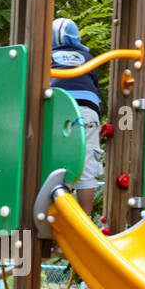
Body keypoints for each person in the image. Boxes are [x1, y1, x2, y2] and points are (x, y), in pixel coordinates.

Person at [51, 17, 104, 217]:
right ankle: (86, 219)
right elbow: (95, 87)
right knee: (87, 161)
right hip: (87, 110)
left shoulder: (47, 56)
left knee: (54, 158)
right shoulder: (88, 57)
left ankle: (55, 213)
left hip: (59, 108)